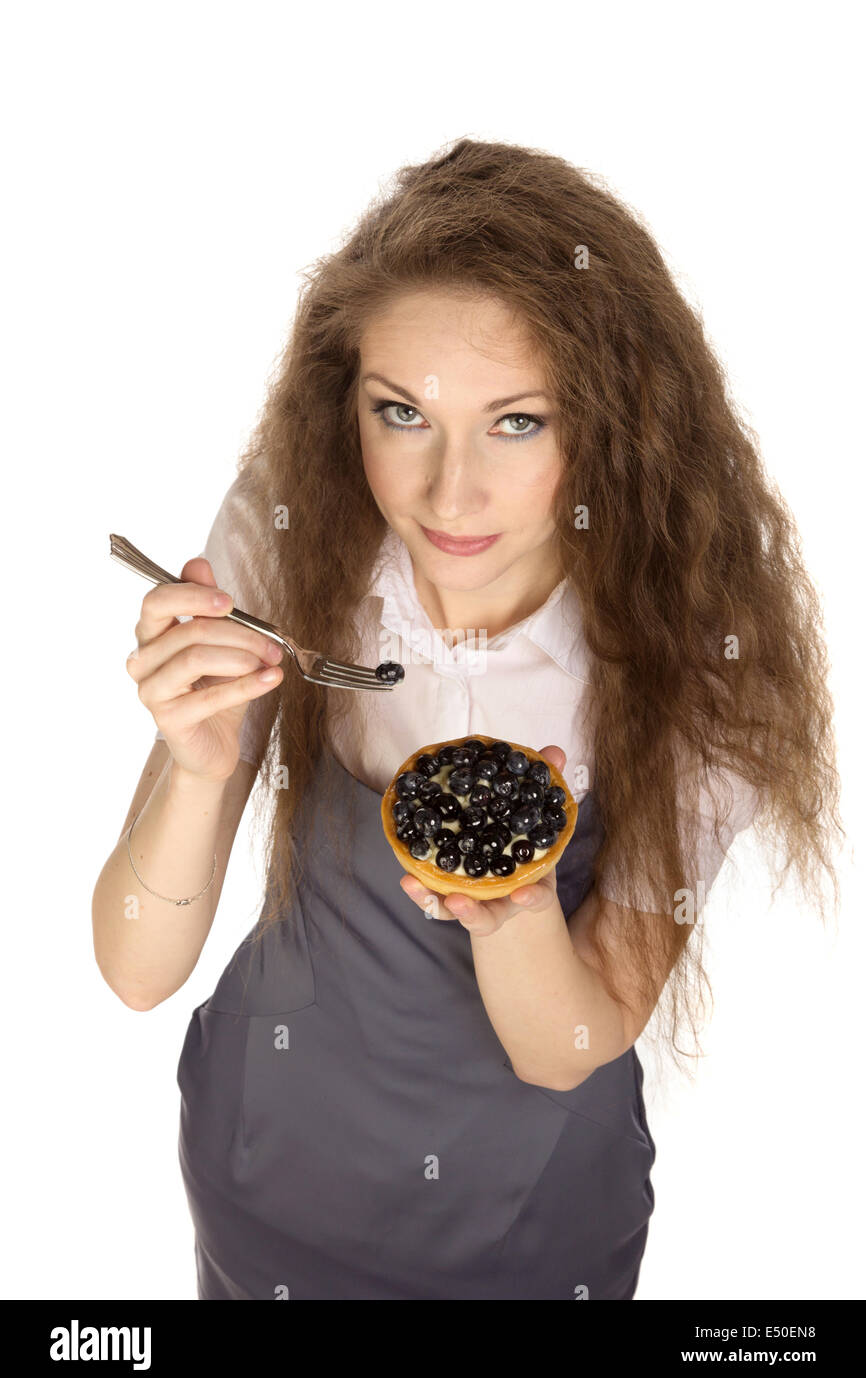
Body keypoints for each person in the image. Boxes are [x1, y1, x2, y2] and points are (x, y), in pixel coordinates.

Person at [92, 138, 843, 1300]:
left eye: (516, 423)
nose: (449, 495)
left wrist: (513, 905)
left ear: (616, 419)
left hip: (532, 1233)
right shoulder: (294, 534)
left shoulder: (698, 657)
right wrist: (193, 769)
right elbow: (137, 970)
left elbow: (565, 1052)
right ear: (345, 398)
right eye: (401, 413)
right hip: (262, 1177)